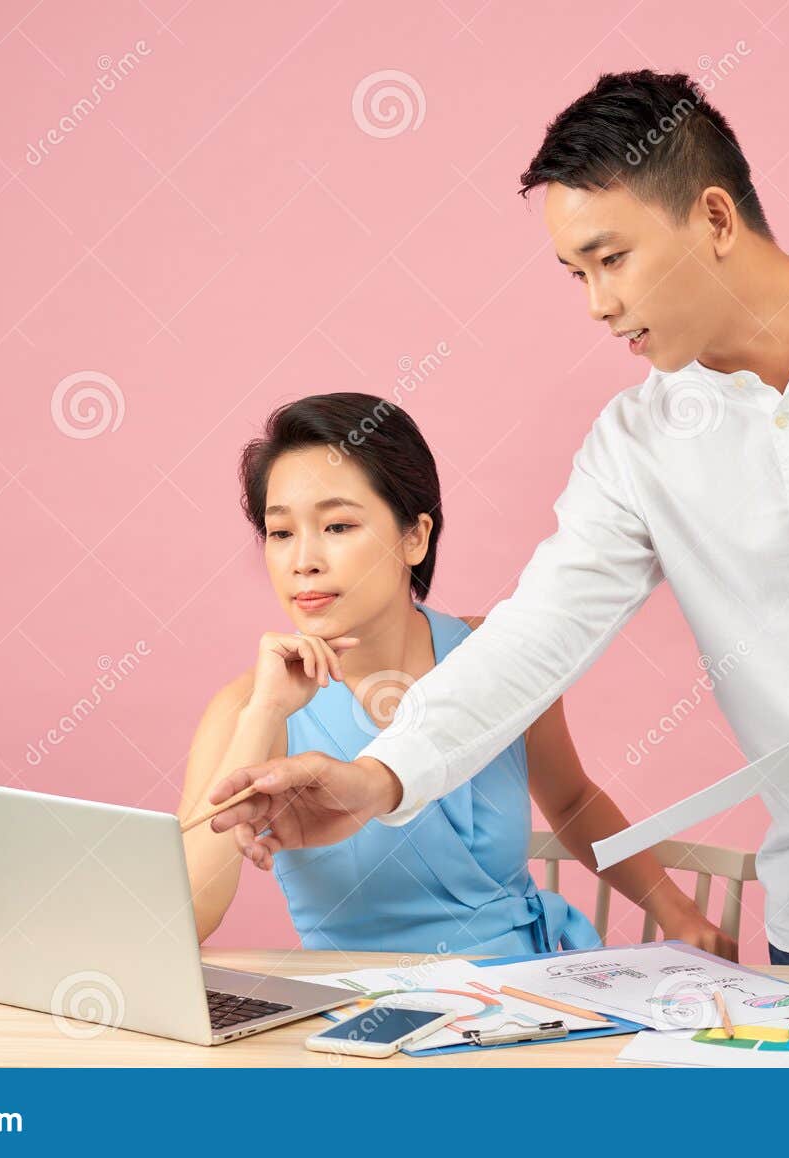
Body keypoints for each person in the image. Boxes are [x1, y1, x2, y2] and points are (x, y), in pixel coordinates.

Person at [207, 72, 789, 976]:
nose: (599, 304)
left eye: (612, 259)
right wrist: (378, 779)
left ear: (714, 217)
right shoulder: (636, 449)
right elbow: (530, 642)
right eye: (575, 273)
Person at [177, 391, 735, 958]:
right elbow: (185, 918)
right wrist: (265, 711)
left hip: (530, 989)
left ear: (414, 537)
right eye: (281, 533)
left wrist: (677, 911)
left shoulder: (498, 657)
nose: (304, 562)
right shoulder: (250, 707)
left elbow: (570, 801)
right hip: (355, 1002)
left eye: (338, 526)